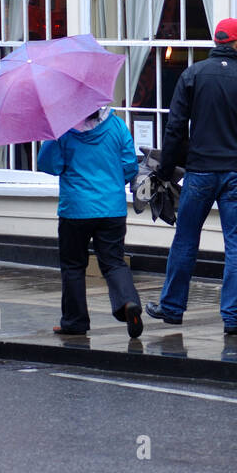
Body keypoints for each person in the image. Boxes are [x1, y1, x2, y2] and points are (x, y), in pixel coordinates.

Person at [145, 18, 237, 335]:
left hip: (200, 171)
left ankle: (172, 308)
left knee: (186, 240)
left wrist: (164, 169)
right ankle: (233, 318)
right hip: (234, 173)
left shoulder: (192, 75)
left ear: (217, 42)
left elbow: (175, 129)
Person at [38, 108, 143, 338]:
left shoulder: (62, 129)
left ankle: (75, 322)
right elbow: (130, 167)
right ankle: (128, 303)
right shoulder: (116, 126)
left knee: (74, 266)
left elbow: (49, 165)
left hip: (75, 209)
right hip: (112, 209)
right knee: (114, 262)